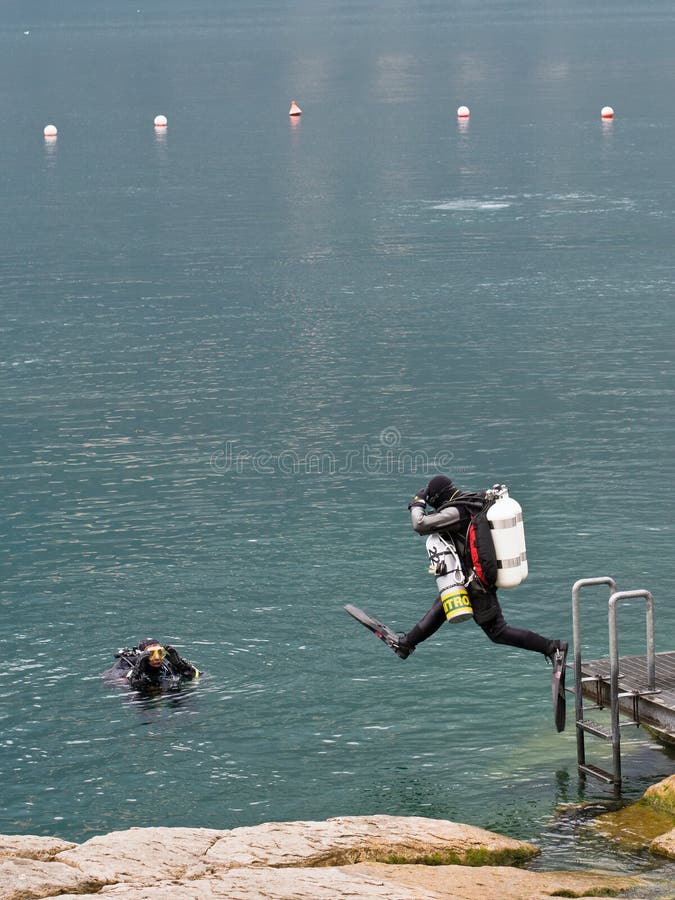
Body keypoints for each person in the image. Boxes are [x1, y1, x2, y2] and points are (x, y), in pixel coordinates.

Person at [393, 475, 568, 667]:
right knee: (442, 605)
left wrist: (417, 503)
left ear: (438, 497)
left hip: (475, 584)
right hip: (467, 578)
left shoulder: (455, 512)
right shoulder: (469, 502)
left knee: (498, 631)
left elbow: (420, 524)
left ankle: (552, 647)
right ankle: (407, 644)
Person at [103, 638, 201, 692]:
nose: (157, 657)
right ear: (141, 654)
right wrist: (138, 669)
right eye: (151, 653)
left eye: (159, 652)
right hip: (142, 696)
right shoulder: (126, 663)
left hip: (168, 693)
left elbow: (198, 675)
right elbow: (109, 681)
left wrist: (179, 664)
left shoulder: (168, 662)